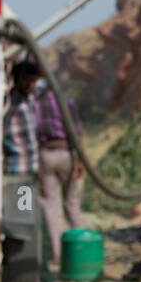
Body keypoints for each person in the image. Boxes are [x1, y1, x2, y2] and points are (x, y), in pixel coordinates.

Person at [34, 77, 85, 264]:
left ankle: (55, 254)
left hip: (46, 154)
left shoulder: (36, 104)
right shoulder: (68, 103)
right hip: (68, 153)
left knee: (50, 204)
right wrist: (81, 161)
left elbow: (34, 132)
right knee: (71, 202)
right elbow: (77, 132)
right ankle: (77, 250)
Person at [3, 59, 39, 176]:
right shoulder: (8, 103)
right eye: (25, 80)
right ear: (16, 79)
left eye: (32, 80)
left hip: (31, 167)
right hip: (15, 166)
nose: (29, 84)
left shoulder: (31, 100)